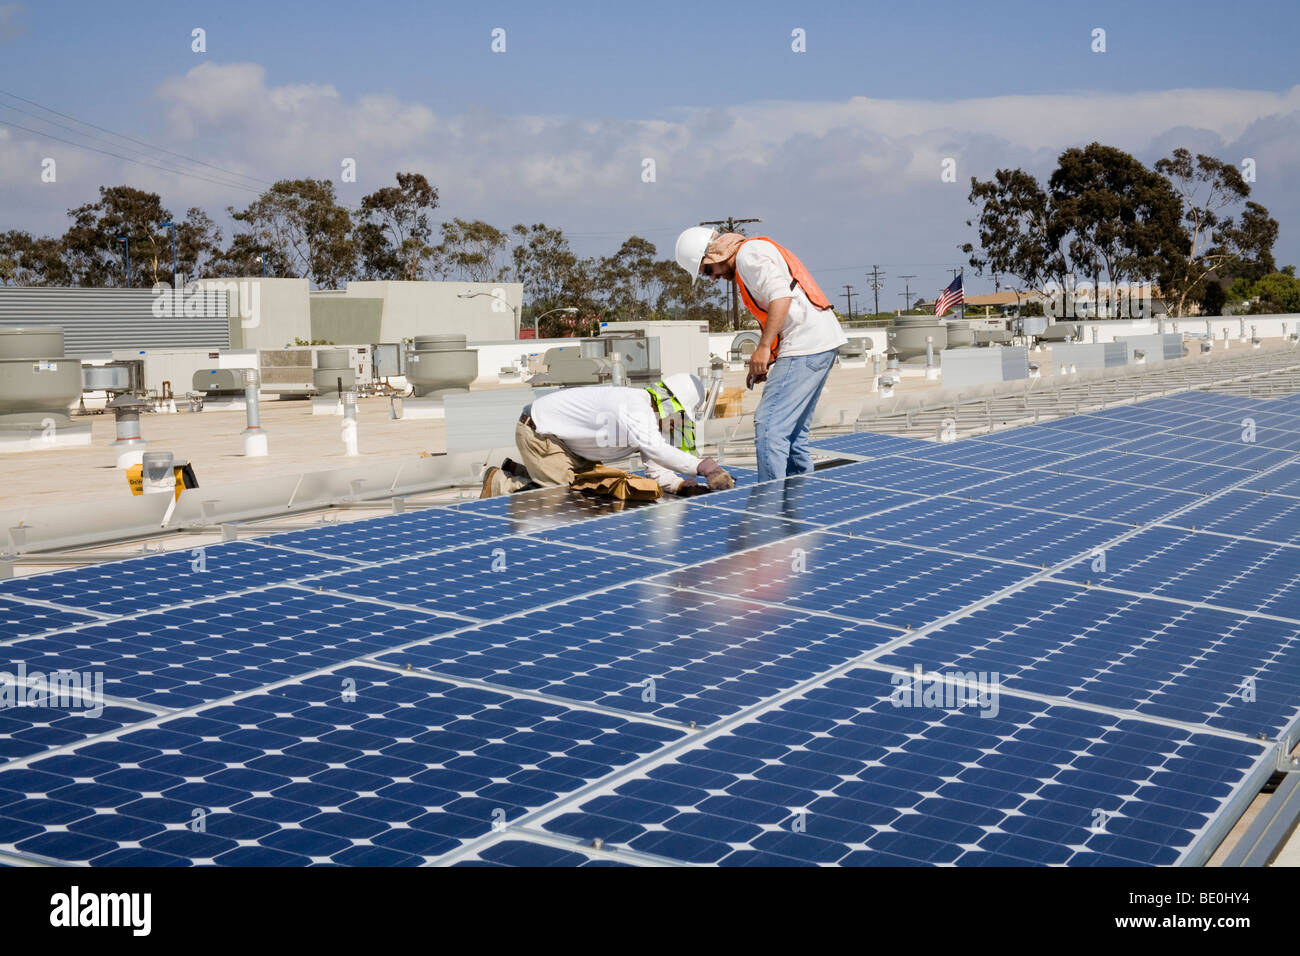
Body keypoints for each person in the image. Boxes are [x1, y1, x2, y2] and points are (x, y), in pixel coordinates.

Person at [675, 227, 847, 482]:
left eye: (708, 270)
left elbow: (781, 297)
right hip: (819, 343)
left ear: (714, 254)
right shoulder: (752, 253)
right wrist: (770, 357)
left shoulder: (749, 256)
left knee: (769, 426)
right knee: (793, 433)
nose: (712, 279)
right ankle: (799, 501)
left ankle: (771, 505)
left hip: (805, 345)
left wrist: (764, 347)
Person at [480, 372, 736, 497]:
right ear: (672, 406)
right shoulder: (635, 407)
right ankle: (499, 484)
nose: (677, 426)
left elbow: (655, 466)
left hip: (567, 446)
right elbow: (658, 450)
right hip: (539, 433)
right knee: (560, 495)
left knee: (587, 486)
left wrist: (681, 486)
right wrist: (704, 465)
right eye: (679, 417)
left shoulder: (649, 424)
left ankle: (520, 470)